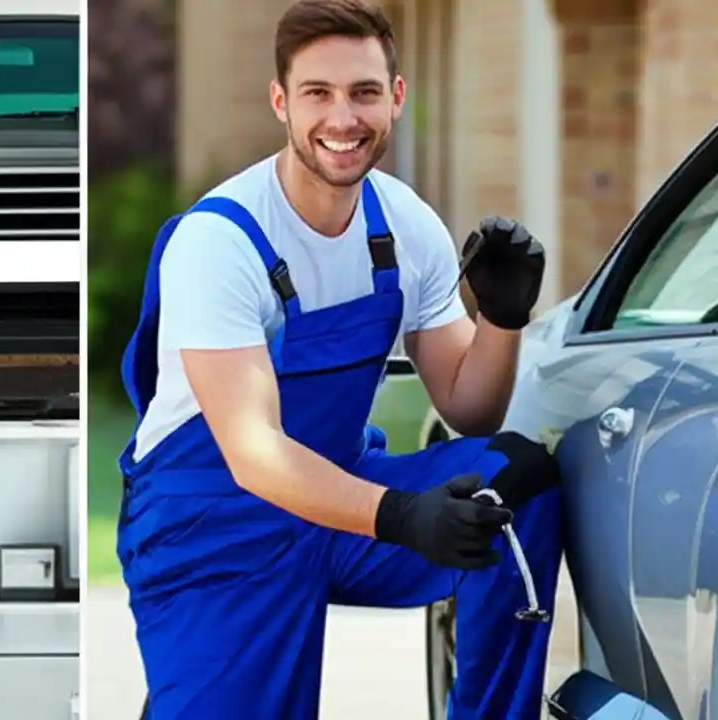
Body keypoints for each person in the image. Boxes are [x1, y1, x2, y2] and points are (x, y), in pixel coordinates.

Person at [114, 1, 564, 718]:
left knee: (515, 484)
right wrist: (403, 516)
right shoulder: (219, 241)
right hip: (213, 524)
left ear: (396, 96)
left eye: (363, 92)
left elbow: (469, 407)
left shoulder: (403, 222)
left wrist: (502, 320)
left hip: (341, 496)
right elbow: (254, 453)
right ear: (280, 103)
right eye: (317, 94)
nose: (342, 118)